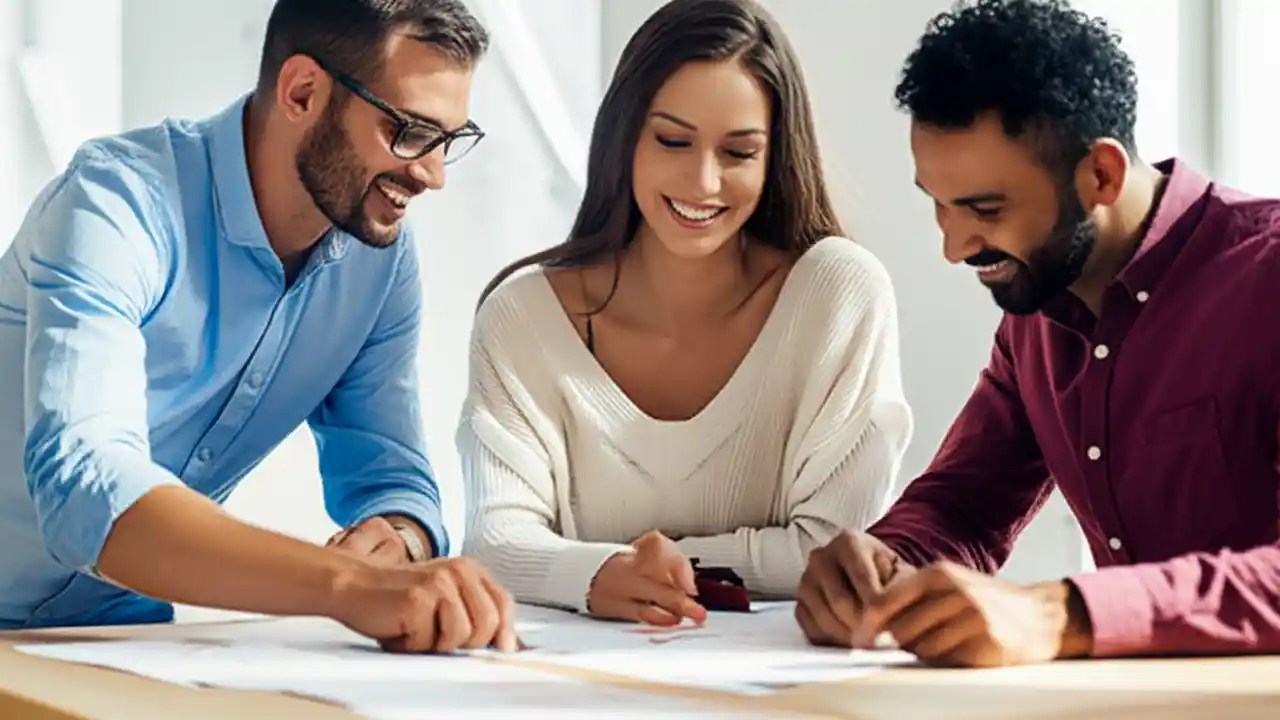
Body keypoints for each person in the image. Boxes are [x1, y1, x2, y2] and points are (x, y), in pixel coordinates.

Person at [0, 0, 517, 653]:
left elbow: (392, 476)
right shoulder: (115, 202)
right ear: (302, 92)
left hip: (119, 640)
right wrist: (346, 586)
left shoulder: (376, 263)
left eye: (447, 140)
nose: (432, 175)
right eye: (409, 131)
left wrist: (399, 536)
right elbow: (83, 486)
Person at [796, 0, 1280, 667]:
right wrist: (882, 562)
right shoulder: (1036, 315)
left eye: (984, 209)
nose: (953, 245)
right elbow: (965, 506)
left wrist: (1064, 614)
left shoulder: (1267, 278)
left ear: (1101, 175)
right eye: (937, 202)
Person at [458, 0, 912, 626]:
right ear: (625, 137)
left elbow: (836, 550)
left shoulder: (837, 294)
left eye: (738, 153)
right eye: (672, 140)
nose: (702, 182)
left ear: (774, 156)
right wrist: (603, 577)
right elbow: (493, 542)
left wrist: (633, 568)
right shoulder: (524, 315)